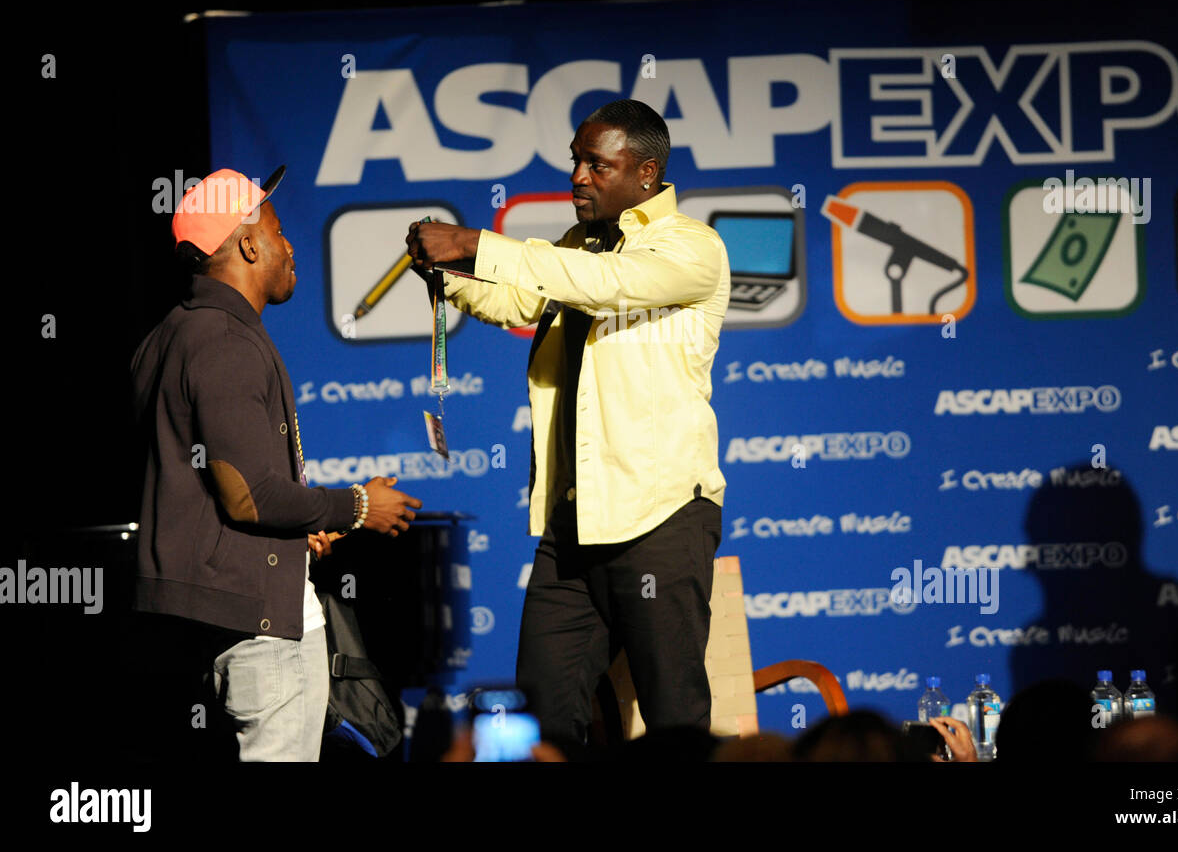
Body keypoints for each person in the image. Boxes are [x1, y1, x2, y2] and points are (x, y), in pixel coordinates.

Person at [407, 99, 730, 747]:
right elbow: (520, 297)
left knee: (673, 720)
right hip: (574, 522)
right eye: (575, 161)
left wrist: (476, 242)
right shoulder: (578, 244)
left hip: (659, 513)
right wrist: (450, 273)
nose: (578, 176)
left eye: (595, 163)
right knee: (542, 717)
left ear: (646, 172)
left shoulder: (692, 246)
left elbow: (606, 282)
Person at [132, 165, 422, 761]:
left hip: (201, 615)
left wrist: (299, 532)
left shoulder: (167, 335)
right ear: (247, 243)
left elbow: (200, 494)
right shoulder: (226, 339)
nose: (290, 245)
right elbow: (250, 496)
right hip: (257, 628)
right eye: (279, 229)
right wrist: (358, 506)